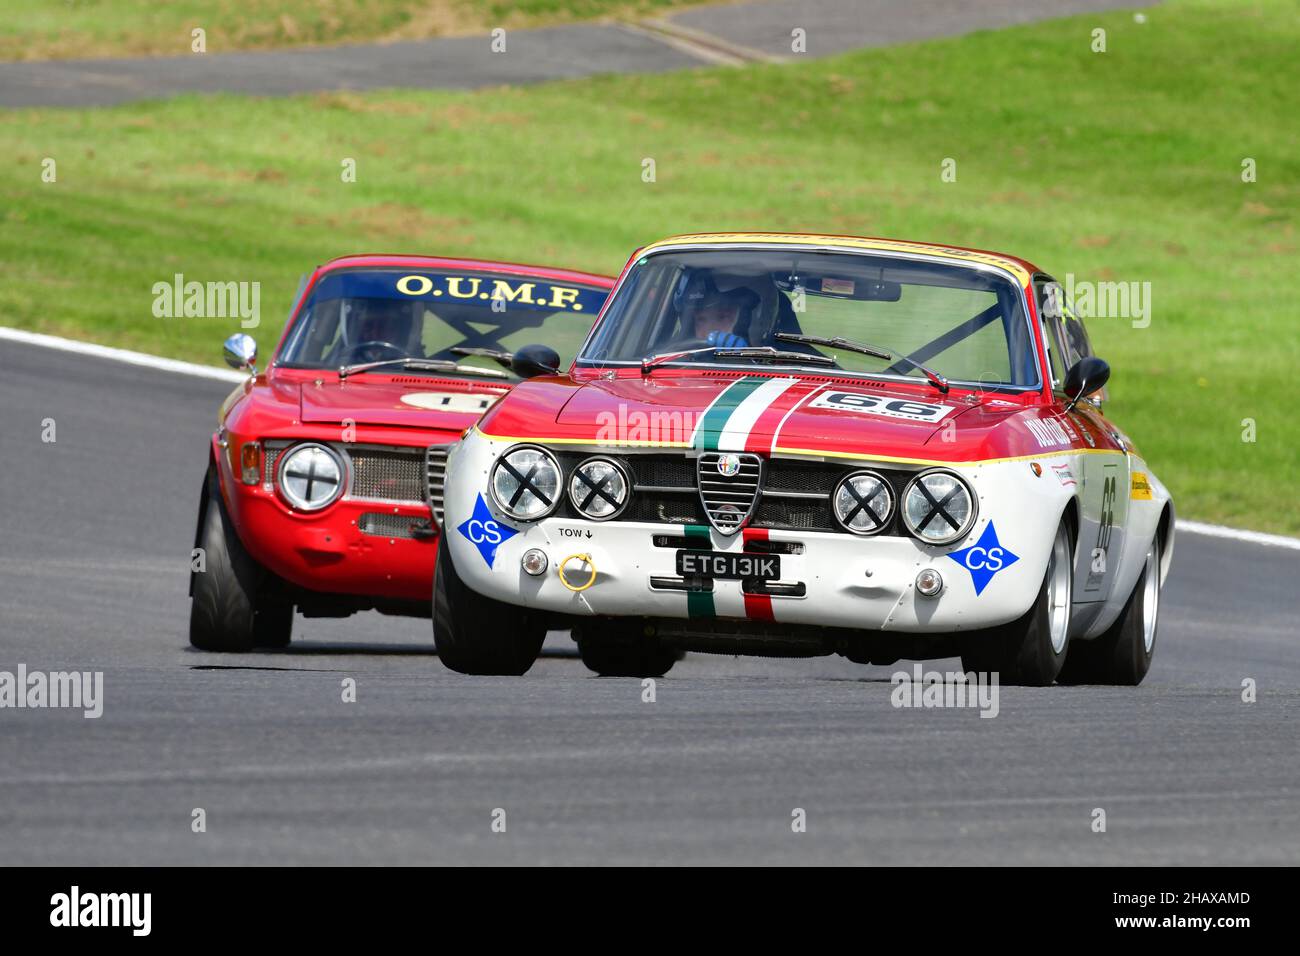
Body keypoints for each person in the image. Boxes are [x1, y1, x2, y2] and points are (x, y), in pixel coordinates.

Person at [679, 277, 757, 347]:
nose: (708, 332)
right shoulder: (677, 357)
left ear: (741, 322)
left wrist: (745, 357)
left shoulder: (760, 359)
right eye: (700, 319)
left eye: (722, 317)